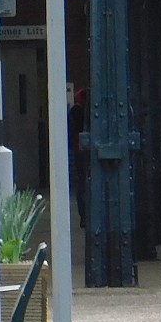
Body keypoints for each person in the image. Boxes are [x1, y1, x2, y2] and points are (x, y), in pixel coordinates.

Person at [68, 88, 90, 227]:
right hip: (82, 150)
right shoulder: (80, 111)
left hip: (78, 149)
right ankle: (85, 215)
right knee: (83, 182)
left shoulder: (74, 110)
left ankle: (84, 216)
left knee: (82, 182)